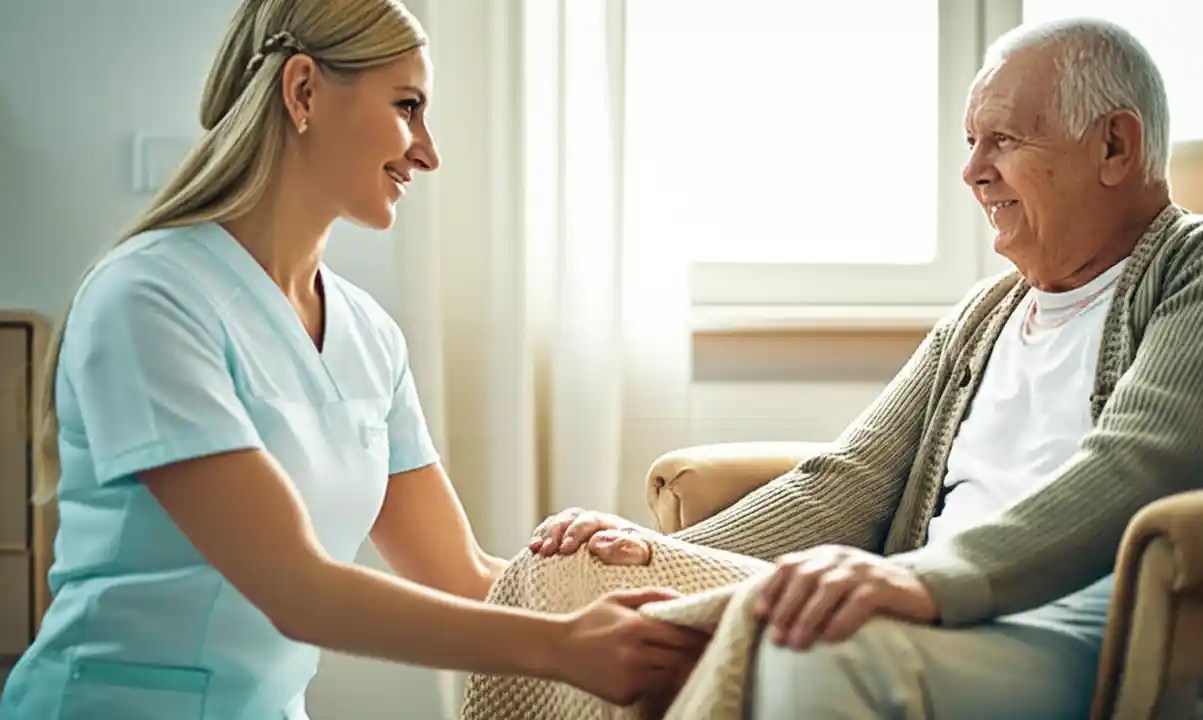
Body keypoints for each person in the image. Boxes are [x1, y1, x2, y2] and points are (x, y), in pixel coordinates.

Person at [529, 17, 1203, 719]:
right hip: (939, 613)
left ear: (1115, 146)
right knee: (569, 586)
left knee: (808, 641)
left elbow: (1140, 465)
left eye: (1004, 140)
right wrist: (664, 555)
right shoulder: (985, 313)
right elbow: (852, 476)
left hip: (1071, 630)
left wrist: (922, 578)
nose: (973, 172)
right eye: (970, 142)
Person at [0, 1, 705, 718]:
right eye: (407, 107)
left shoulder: (369, 336)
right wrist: (563, 647)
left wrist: (598, 586)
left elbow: (462, 577)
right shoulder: (146, 300)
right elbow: (296, 589)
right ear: (303, 91)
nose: (427, 151)